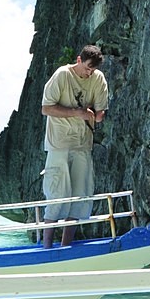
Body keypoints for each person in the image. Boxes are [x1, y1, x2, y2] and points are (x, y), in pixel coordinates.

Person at [40, 46, 109, 247]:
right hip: (59, 144)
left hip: (82, 144)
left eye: (92, 70)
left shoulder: (98, 78)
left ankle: (66, 246)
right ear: (79, 60)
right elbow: (46, 108)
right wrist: (76, 112)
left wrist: (97, 115)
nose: (89, 73)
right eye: (87, 68)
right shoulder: (62, 75)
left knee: (80, 195)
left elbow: (100, 111)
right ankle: (46, 248)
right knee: (57, 195)